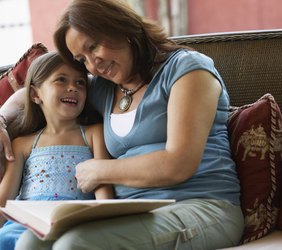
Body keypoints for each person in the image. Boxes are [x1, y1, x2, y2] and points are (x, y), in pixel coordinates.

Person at [0, 0, 244, 249]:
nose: (93, 66)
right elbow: (32, 92)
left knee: (74, 245)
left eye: (93, 47)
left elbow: (178, 164)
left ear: (119, 27)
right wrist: (1, 120)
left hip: (203, 207)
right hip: (132, 213)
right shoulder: (106, 88)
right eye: (82, 59)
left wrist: (99, 170)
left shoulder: (188, 70)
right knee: (31, 241)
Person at [0, 51, 113, 250]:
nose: (73, 88)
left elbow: (103, 190)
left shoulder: (94, 134)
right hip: (27, 222)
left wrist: (106, 227)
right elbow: (4, 202)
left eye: (80, 83)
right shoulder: (22, 144)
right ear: (35, 94)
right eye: (61, 80)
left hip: (73, 220)